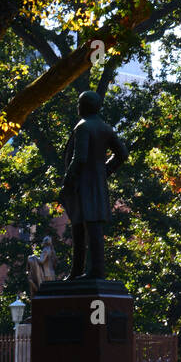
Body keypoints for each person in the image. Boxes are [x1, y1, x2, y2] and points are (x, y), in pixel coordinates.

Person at [59, 90, 129, 280]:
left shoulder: (83, 126)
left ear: (84, 106)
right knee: (91, 225)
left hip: (82, 183)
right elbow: (122, 154)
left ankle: (86, 270)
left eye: (79, 103)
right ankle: (80, 271)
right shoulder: (105, 128)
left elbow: (79, 157)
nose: (77, 106)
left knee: (80, 227)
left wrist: (67, 180)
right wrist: (104, 171)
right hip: (96, 182)